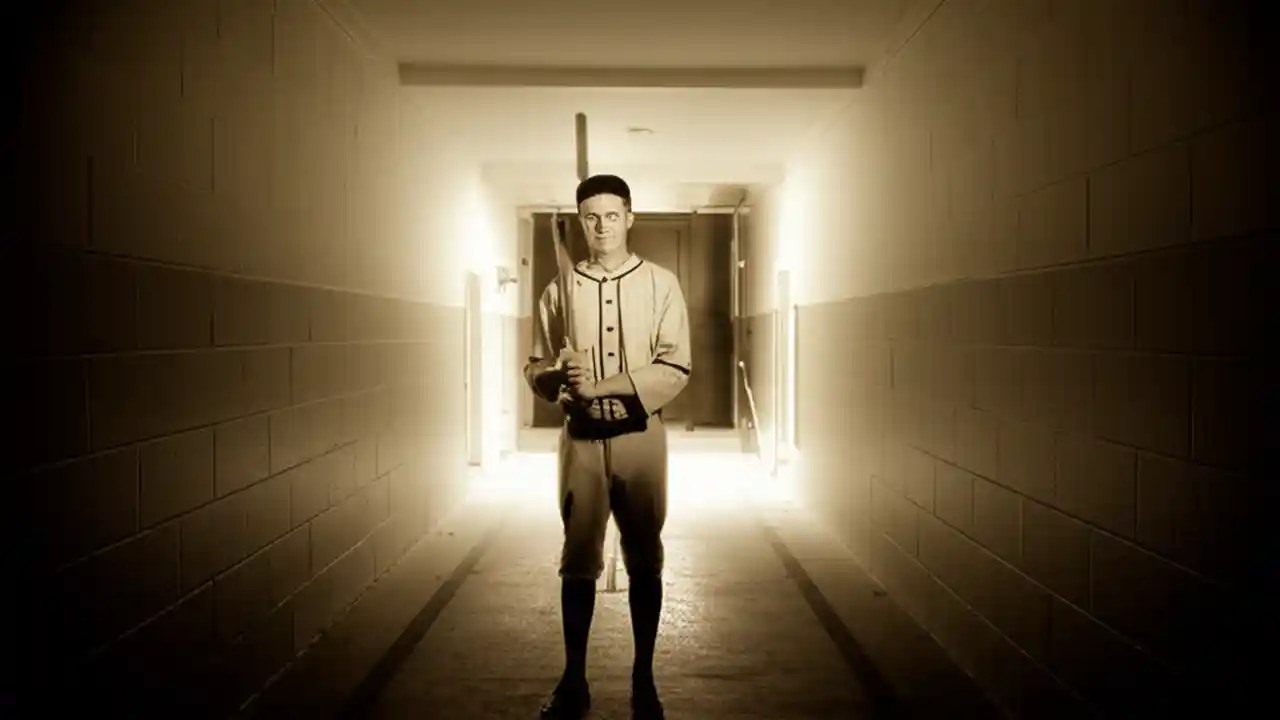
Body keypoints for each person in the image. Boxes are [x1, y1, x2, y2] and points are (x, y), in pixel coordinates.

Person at [523, 174, 691, 719]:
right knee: (578, 561)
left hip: (641, 435)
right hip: (582, 441)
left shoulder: (661, 284)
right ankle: (574, 678)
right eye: (591, 217)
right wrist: (556, 378)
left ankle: (644, 678)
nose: (601, 226)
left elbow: (675, 365)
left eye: (612, 215)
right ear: (581, 221)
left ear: (630, 217)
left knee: (645, 558)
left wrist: (608, 385)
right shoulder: (559, 289)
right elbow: (534, 366)